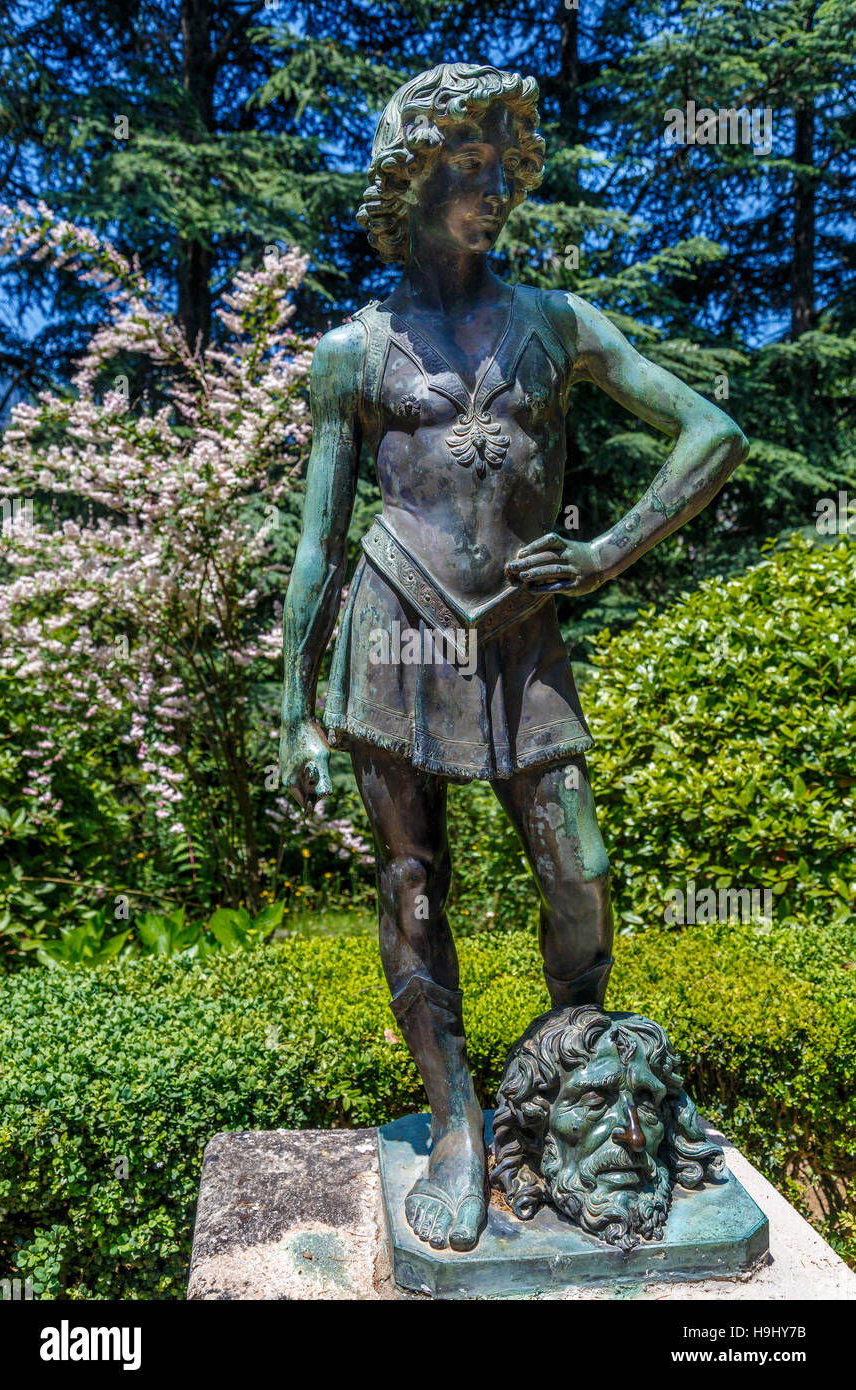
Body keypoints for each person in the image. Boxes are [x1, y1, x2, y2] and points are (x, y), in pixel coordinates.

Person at [279, 62, 748, 1254]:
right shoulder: (354, 350)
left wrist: (604, 553)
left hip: (522, 639)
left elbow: (712, 431)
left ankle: (571, 1083)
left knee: (574, 865)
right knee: (413, 885)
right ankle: (454, 1124)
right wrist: (293, 711)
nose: (492, 197)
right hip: (393, 631)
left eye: (503, 175)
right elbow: (319, 540)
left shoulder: (557, 322)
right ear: (412, 180)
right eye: (466, 174)